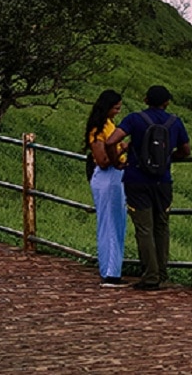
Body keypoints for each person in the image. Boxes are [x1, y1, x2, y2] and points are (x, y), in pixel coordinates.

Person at [105, 84, 191, 290]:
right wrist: (169, 158)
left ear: (145, 100)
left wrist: (116, 160)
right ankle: (161, 272)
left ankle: (150, 276)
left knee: (144, 228)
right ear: (167, 102)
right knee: (162, 226)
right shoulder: (175, 122)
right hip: (163, 182)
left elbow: (111, 140)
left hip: (136, 179)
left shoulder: (135, 119)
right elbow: (186, 150)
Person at [84, 89, 128, 288]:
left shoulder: (109, 125)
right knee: (110, 223)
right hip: (108, 176)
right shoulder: (98, 128)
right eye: (115, 107)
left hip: (115, 176)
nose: (118, 110)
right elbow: (102, 160)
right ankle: (111, 272)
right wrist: (120, 152)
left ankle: (111, 268)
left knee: (116, 223)